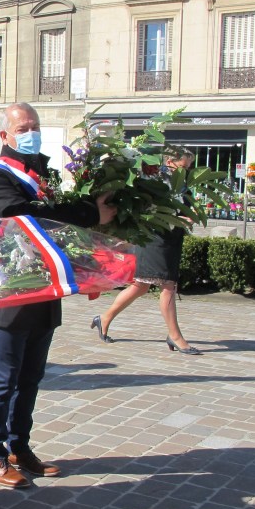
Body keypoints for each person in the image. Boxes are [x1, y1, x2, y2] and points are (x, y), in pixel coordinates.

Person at [0, 102, 116, 489]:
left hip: (44, 294)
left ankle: (20, 448)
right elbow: (23, 215)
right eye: (23, 127)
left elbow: (53, 213)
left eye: (35, 126)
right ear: (4, 135)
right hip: (10, 296)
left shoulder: (41, 173)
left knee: (31, 379)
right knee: (3, 380)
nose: (31, 132)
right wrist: (90, 214)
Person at [92, 150, 201, 355]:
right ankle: (175, 336)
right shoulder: (156, 182)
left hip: (172, 238)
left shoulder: (181, 185)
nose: (186, 171)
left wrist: (191, 215)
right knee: (168, 285)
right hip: (155, 238)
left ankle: (104, 318)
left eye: (188, 167)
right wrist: (177, 219)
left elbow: (184, 208)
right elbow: (150, 212)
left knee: (140, 286)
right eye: (184, 166)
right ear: (170, 161)